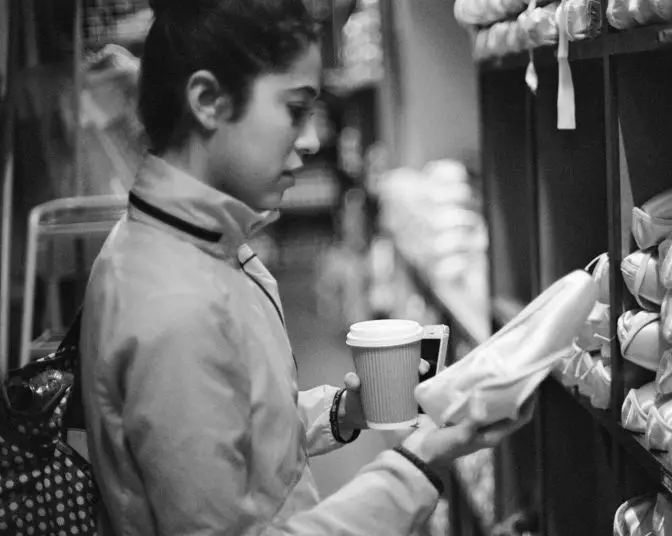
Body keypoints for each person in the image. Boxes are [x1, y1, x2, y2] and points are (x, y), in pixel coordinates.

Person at [80, 1, 532, 535]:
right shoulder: (176, 305)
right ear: (207, 101)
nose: (313, 137)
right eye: (295, 110)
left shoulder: (190, 246)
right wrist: (418, 465)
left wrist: (343, 411)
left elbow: (234, 437)